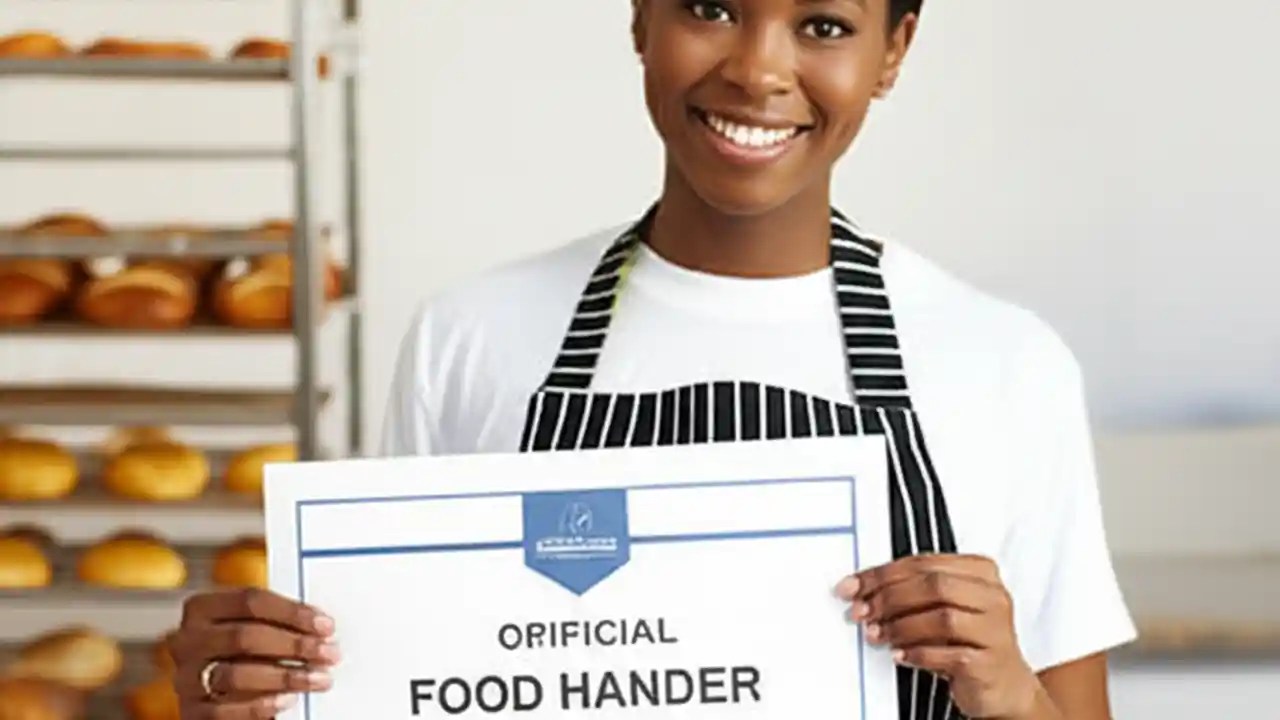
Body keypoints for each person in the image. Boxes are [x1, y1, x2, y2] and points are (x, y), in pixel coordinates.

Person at [169, 0, 1137, 717]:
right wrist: (249, 697)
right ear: (638, 19)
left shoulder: (1005, 365)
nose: (757, 71)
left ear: (894, 49)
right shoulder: (470, 339)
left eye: (825, 26)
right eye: (710, 8)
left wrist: (1009, 694)